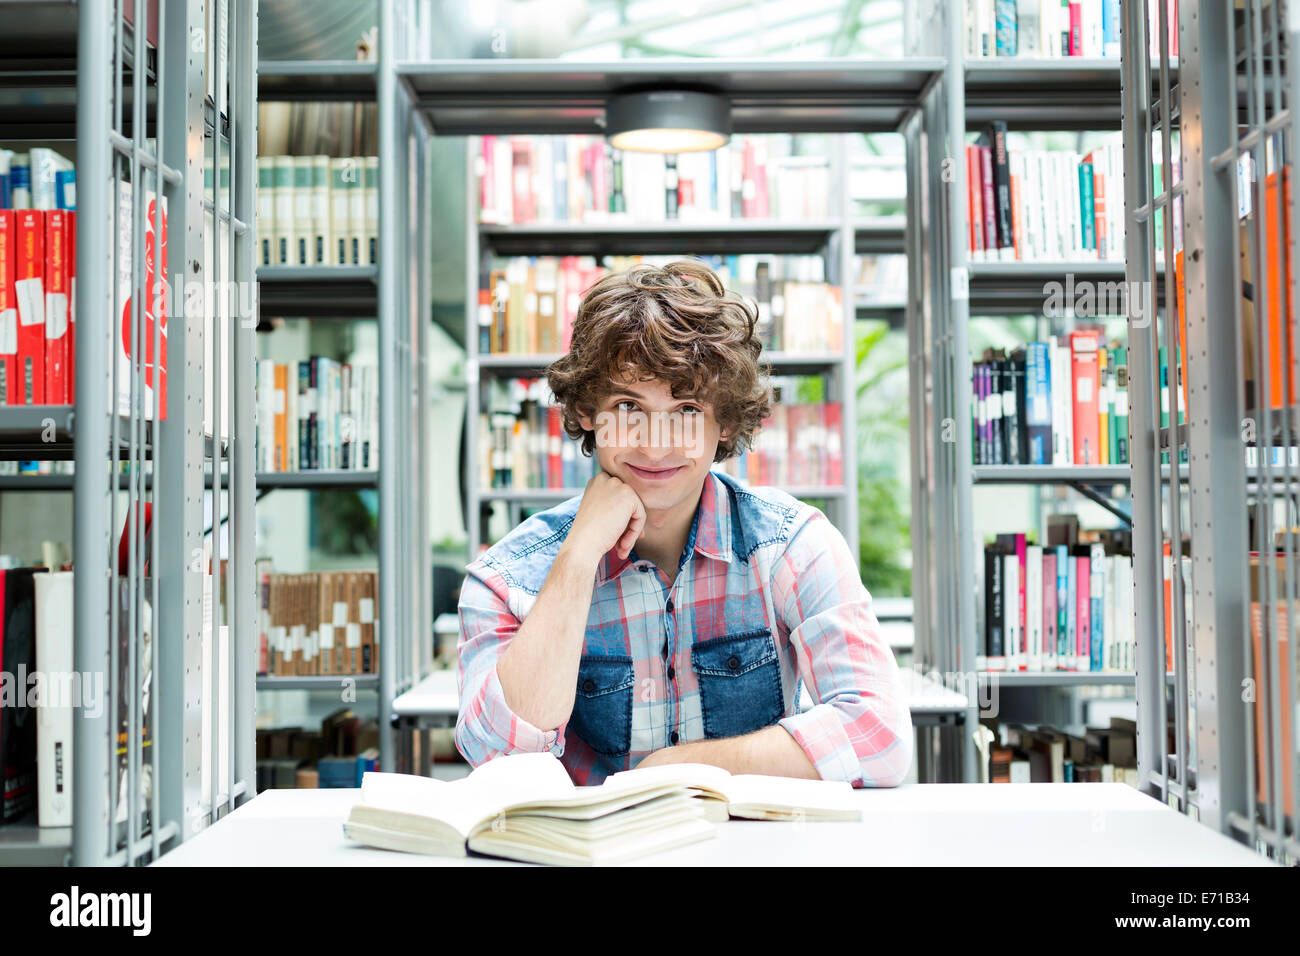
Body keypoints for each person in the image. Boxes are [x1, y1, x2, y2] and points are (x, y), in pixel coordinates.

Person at [456, 258, 912, 786]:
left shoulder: (793, 546)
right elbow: (497, 758)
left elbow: (880, 736)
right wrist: (578, 558)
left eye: (688, 410)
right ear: (587, 413)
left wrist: (683, 768)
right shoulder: (508, 575)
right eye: (628, 406)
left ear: (724, 422)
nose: (656, 445)